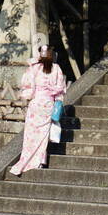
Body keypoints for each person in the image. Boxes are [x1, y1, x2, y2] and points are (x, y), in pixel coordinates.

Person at [10, 45, 66, 176]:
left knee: (30, 135)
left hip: (36, 103)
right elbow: (61, 88)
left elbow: (27, 85)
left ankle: (27, 160)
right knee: (43, 135)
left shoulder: (34, 68)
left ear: (41, 54)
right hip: (48, 103)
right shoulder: (56, 68)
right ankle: (40, 161)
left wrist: (27, 96)